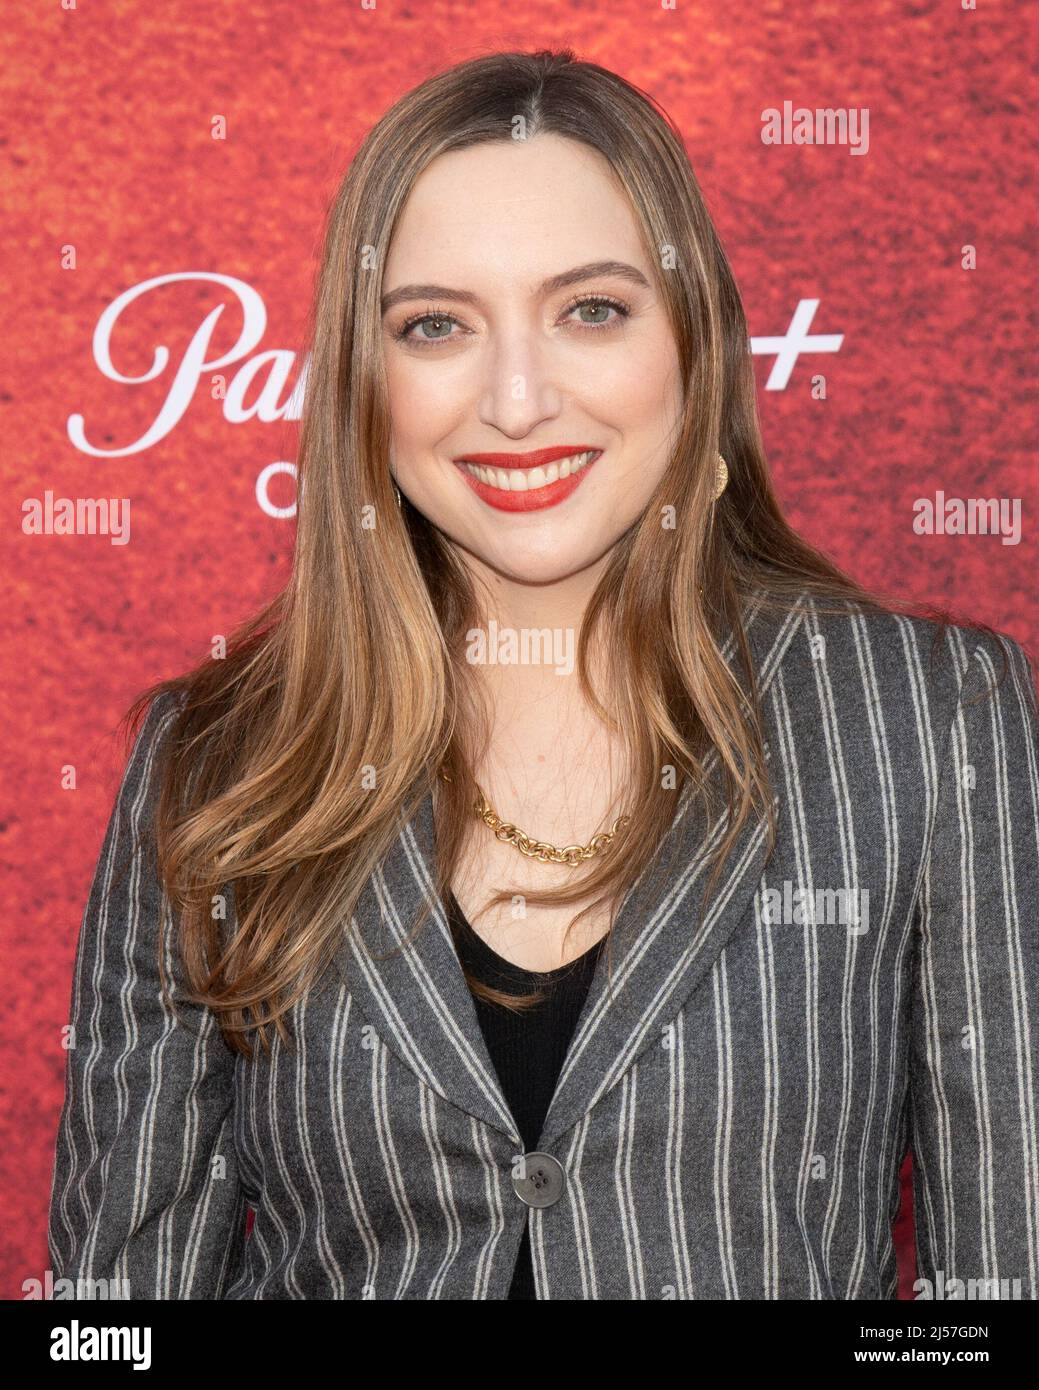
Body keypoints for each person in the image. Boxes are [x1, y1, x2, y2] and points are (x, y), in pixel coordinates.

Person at [48, 48, 1039, 1301]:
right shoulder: (216, 760)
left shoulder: (929, 719)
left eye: (590, 309)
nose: (515, 400)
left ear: (698, 338)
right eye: (436, 326)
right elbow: (105, 1326)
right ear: (365, 374)